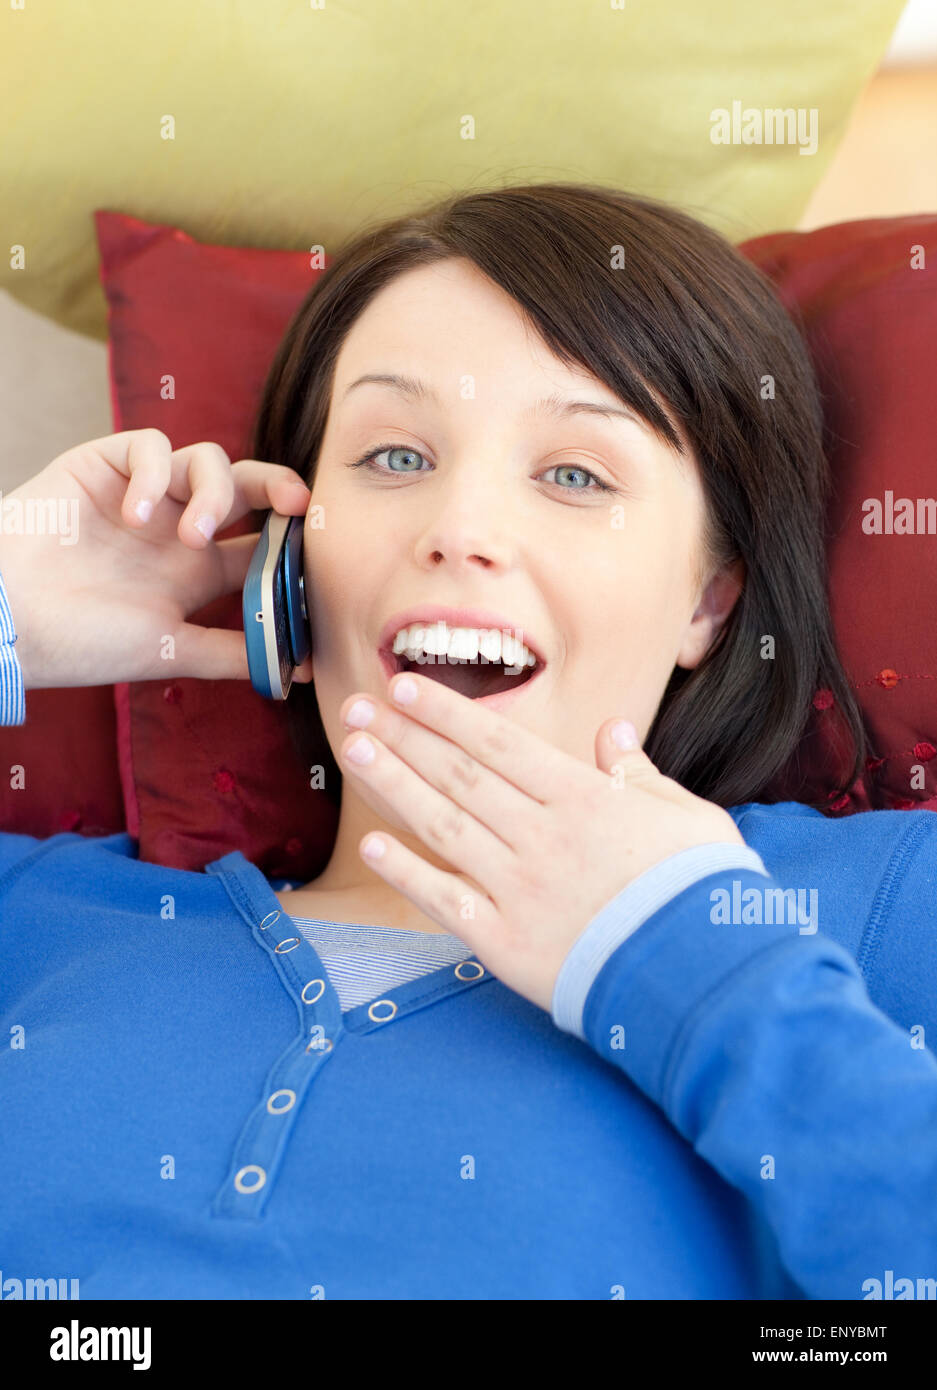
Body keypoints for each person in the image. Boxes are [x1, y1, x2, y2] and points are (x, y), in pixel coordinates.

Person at [1, 183, 936, 1302]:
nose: (458, 531)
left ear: (709, 601)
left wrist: (689, 960)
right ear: (288, 564)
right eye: (394, 457)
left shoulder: (876, 903)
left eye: (574, 474)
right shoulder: (44, 915)